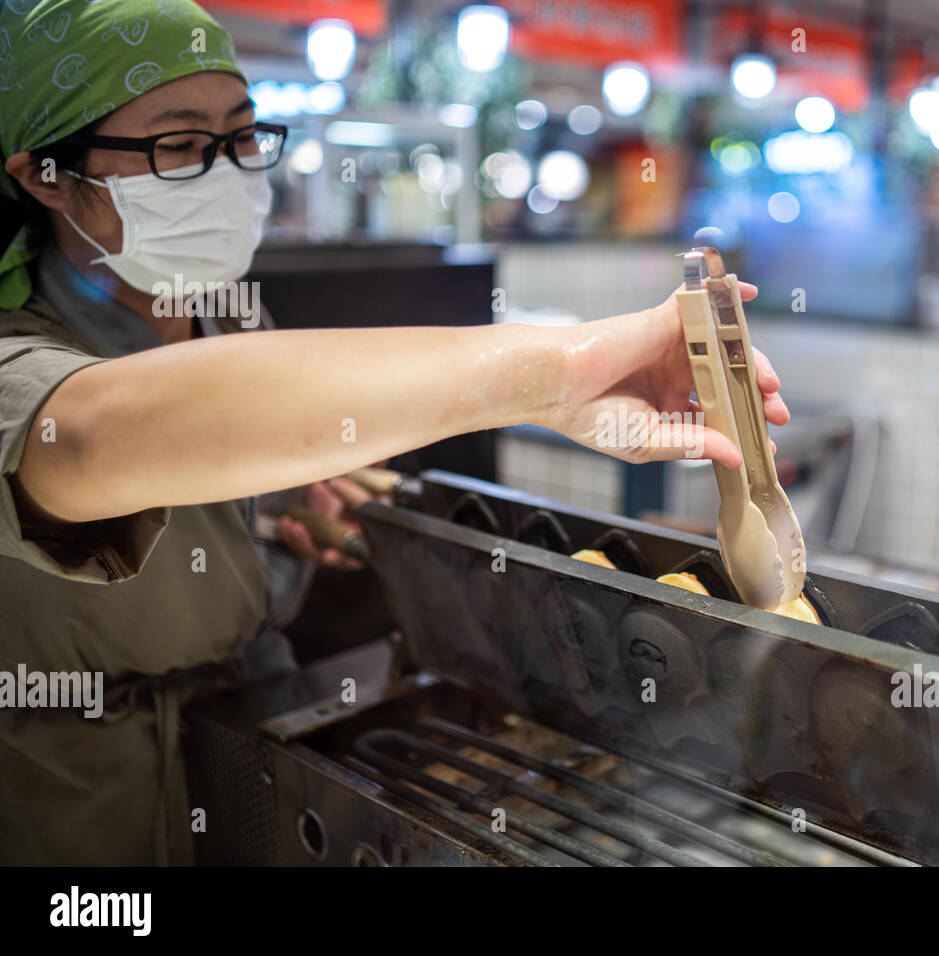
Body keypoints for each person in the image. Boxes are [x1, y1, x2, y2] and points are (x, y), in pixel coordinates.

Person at [0, 0, 788, 864]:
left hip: (240, 743)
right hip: (84, 806)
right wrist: (552, 378)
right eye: (181, 146)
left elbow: (214, 449)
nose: (226, 173)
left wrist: (274, 519)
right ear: (47, 175)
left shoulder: (222, 321)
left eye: (243, 138)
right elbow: (90, 441)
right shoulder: (18, 360)